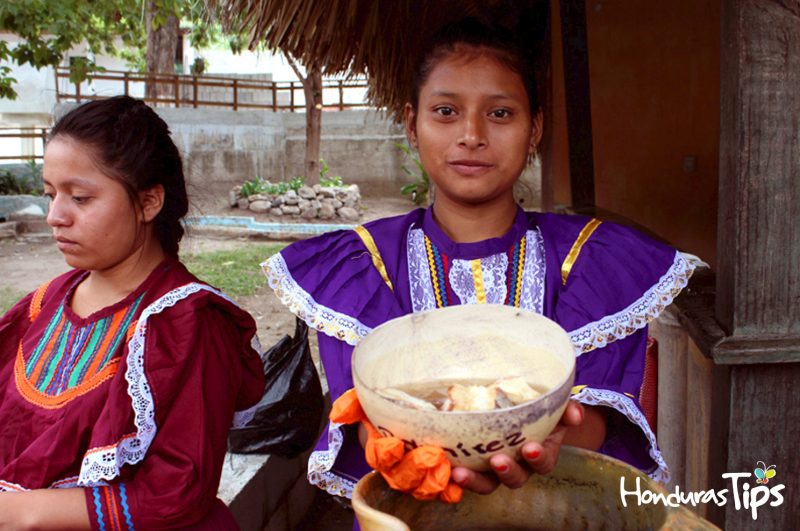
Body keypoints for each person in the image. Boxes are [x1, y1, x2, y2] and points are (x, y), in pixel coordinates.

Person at [263, 18, 693, 501]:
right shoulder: (362, 266)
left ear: (535, 128)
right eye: (446, 111)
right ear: (411, 123)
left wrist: (546, 439)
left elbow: (593, 420)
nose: (471, 135)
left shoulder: (593, 261)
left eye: (500, 113)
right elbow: (369, 422)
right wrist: (394, 449)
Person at [0, 96, 265, 529]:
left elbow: (179, 490)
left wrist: (22, 513)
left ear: (149, 202)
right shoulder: (43, 304)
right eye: (50, 194)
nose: (55, 216)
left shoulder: (191, 322)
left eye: (80, 198)